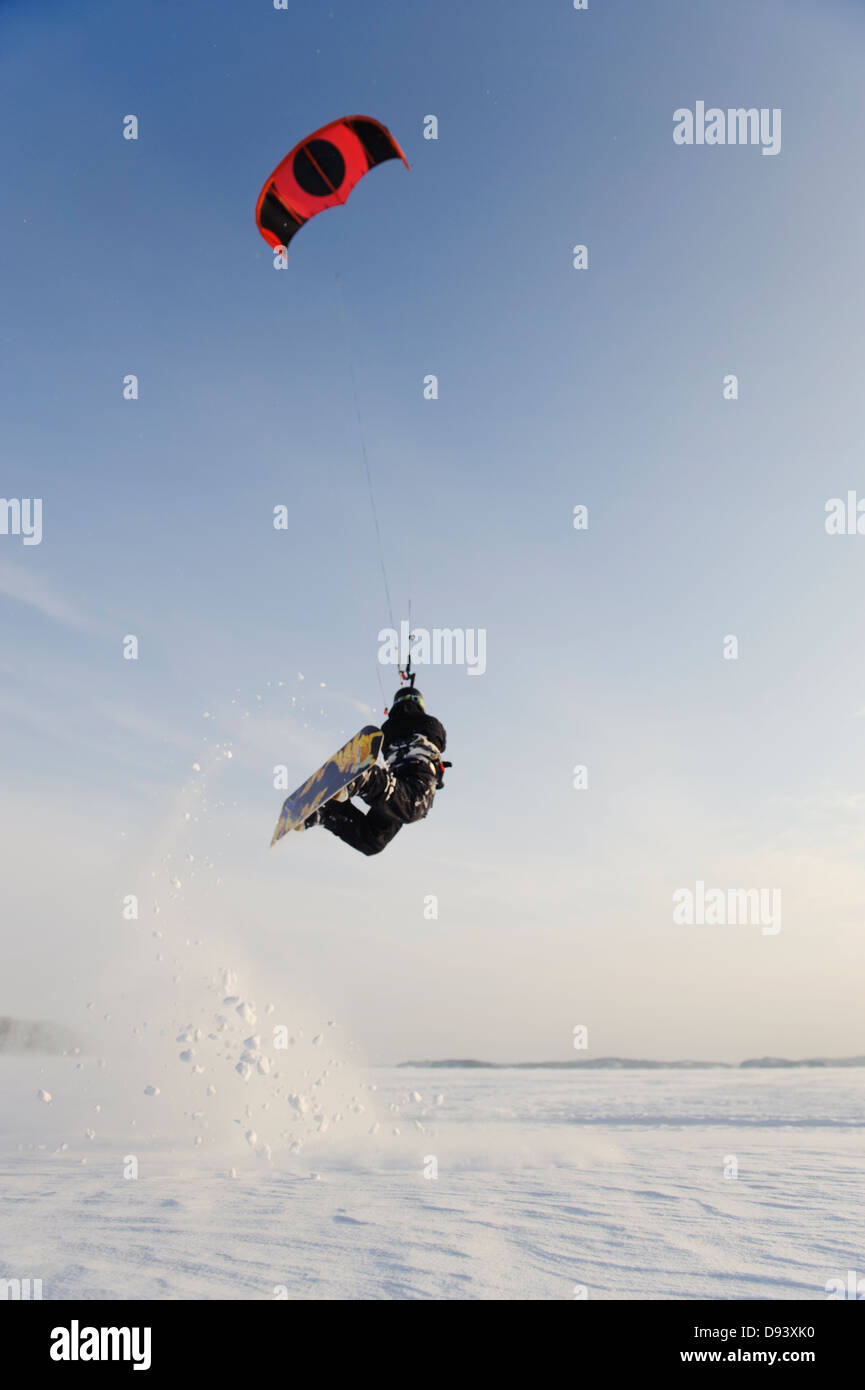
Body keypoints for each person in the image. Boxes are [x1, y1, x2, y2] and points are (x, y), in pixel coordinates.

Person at [301, 685, 447, 855]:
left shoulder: (388, 728)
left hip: (397, 779)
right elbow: (441, 742)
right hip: (418, 774)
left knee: (373, 839)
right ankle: (364, 778)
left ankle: (327, 811)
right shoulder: (431, 723)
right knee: (413, 806)